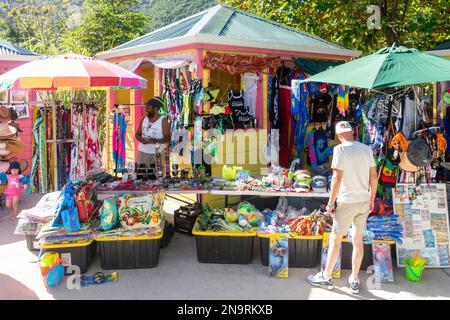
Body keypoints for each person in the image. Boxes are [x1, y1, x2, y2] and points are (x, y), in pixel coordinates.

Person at [307, 121, 378, 294]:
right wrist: (372, 199)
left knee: (336, 239)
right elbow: (374, 177)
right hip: (363, 201)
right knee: (357, 240)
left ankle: (326, 276)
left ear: (339, 136)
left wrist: (330, 204)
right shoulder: (366, 149)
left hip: (347, 202)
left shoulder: (340, 150)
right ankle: (354, 279)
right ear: (352, 132)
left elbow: (336, 179)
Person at [135, 97, 171, 175]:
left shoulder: (163, 121)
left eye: (149, 109)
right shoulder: (144, 119)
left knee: (156, 179)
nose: (147, 111)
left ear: (155, 109)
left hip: (156, 154)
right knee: (142, 178)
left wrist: (154, 141)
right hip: (142, 153)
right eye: (146, 108)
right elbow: (137, 134)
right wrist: (141, 140)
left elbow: (168, 139)